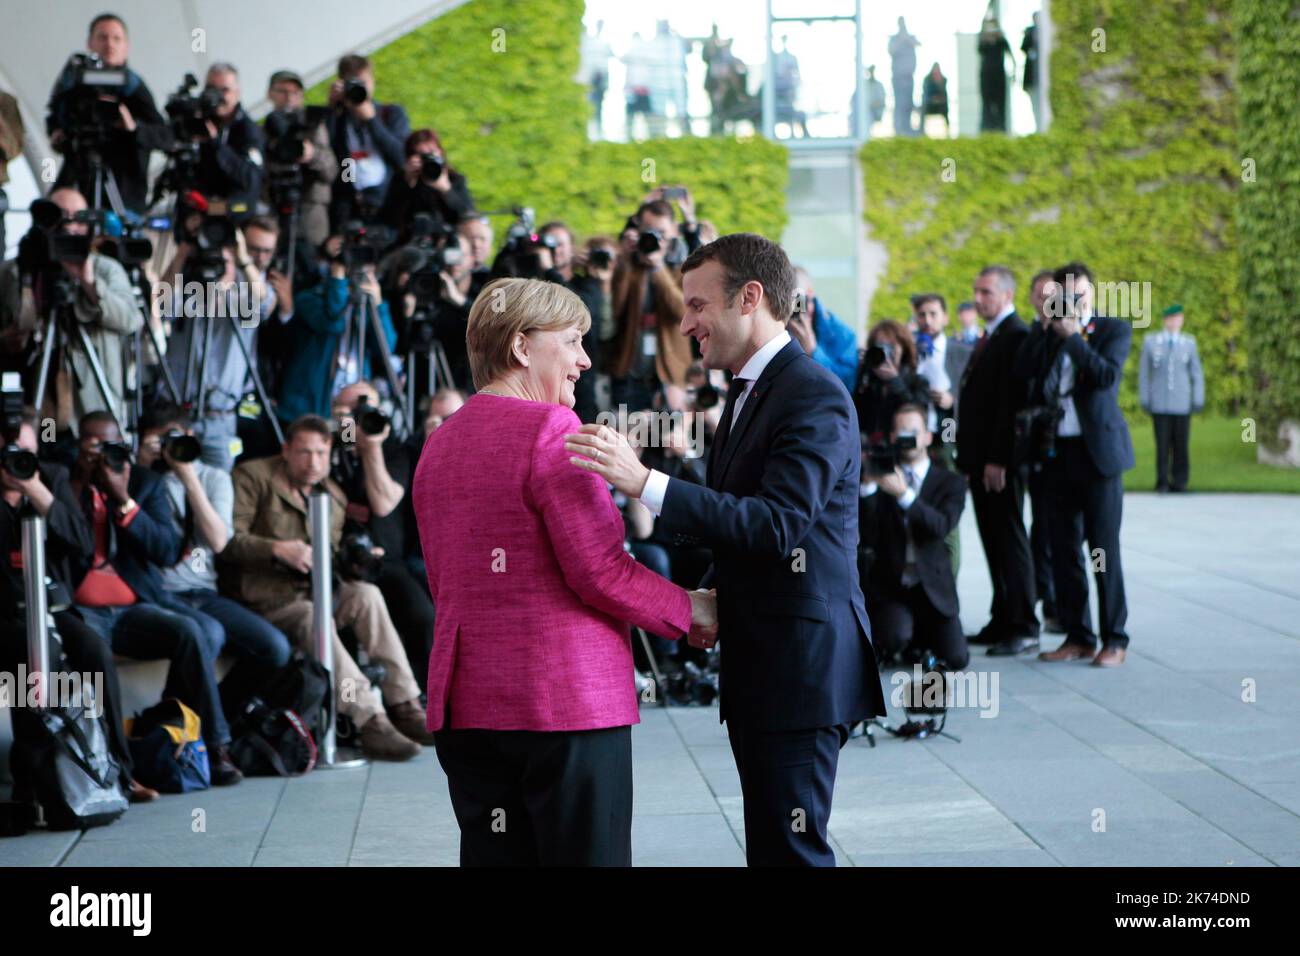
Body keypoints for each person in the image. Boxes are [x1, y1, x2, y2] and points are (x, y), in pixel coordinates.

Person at [570, 233, 886, 866]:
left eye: (696, 306)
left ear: (750, 298)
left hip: (801, 668)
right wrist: (707, 597)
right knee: (773, 848)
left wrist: (645, 483)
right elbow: (745, 526)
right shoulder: (750, 390)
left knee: (791, 851)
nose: (685, 324)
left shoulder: (813, 394)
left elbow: (778, 525)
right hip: (767, 662)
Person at [412, 277, 714, 866]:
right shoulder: (552, 430)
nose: (584, 359)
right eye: (573, 340)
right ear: (522, 348)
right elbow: (599, 569)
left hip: (467, 706)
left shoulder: (439, 443)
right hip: (562, 704)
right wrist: (694, 612)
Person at [222, 414, 432, 760]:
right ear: (286, 450)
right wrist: (275, 549)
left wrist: (355, 560)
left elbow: (330, 556)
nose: (313, 462)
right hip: (263, 598)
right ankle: (369, 719)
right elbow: (227, 541)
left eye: (321, 453)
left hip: (316, 592)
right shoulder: (251, 477)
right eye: (304, 452)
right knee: (311, 618)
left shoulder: (331, 493)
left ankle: (405, 703)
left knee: (367, 595)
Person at [69, 411, 242, 785]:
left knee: (193, 633)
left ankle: (215, 745)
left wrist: (124, 501)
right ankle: (116, 762)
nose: (102, 456)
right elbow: (62, 539)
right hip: (83, 608)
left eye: (111, 447)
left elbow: (166, 549)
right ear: (78, 445)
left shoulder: (144, 483)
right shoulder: (65, 482)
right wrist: (82, 483)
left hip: (133, 606)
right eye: (93, 446)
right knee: (94, 653)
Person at [0, 409, 157, 802]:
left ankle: (119, 770)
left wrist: (34, 490)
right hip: (5, 613)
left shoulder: (50, 478)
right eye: (10, 449)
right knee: (32, 656)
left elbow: (81, 543)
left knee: (94, 651)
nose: (19, 456)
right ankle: (33, 783)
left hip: (49, 605)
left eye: (27, 448)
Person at [1015, 263, 1134, 667]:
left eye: (1079, 295)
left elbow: (1105, 377)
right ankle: (1078, 634)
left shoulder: (1112, 330)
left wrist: (1073, 338)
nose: (1072, 302)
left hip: (1097, 455)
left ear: (1092, 295)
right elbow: (1023, 375)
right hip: (1054, 454)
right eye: (1065, 295)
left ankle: (1114, 638)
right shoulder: (1048, 332)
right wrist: (1046, 328)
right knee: (1062, 549)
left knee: (1103, 548)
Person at [137, 402, 292, 677]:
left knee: (275, 648)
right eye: (160, 440)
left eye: (173, 436)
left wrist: (187, 476)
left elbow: (218, 541)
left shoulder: (213, 477)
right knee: (208, 633)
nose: (168, 446)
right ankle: (181, 716)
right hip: (157, 591)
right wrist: (142, 465)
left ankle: (229, 713)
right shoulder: (141, 479)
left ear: (190, 434)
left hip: (204, 592)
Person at [956, 265, 1038, 656]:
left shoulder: (1016, 335)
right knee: (993, 539)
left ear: (1006, 295)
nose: (978, 298)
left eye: (986, 291)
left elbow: (1010, 407)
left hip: (998, 463)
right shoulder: (994, 335)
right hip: (980, 459)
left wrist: (998, 459)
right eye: (976, 290)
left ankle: (1024, 623)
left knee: (1009, 538)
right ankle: (1002, 617)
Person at [859, 404, 968, 669]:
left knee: (956, 658)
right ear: (893, 437)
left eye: (914, 431)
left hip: (933, 588)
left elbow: (941, 526)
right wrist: (868, 487)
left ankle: (920, 638)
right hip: (894, 587)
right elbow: (867, 535)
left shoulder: (950, 482)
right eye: (902, 431)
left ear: (928, 436)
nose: (908, 437)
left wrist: (904, 495)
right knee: (892, 638)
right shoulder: (883, 477)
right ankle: (907, 638)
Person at [46, 13, 170, 215]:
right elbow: (55, 115)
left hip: (123, 192)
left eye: (116, 38)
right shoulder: (74, 81)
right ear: (90, 43)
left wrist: (132, 127)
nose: (109, 45)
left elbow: (165, 137)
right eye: (102, 37)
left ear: (126, 46)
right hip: (78, 178)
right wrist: (57, 133)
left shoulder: (133, 87)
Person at [327, 54, 410, 228]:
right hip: (349, 206)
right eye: (353, 84)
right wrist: (332, 110)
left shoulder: (390, 114)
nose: (360, 89)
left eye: (364, 82)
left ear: (372, 81)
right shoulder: (339, 119)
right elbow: (337, 160)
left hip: (388, 204)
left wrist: (371, 120)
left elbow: (402, 158)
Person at [263, 70, 337, 248]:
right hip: (275, 209)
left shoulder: (314, 125)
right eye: (283, 91)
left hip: (310, 213)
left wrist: (312, 154)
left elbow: (333, 170)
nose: (289, 97)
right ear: (270, 94)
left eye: (295, 92)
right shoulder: (264, 131)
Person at [1139, 304, 1204, 493]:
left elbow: (1196, 374)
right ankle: (1162, 481)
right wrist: (1145, 397)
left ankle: (1180, 481)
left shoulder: (1189, 343)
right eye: (1172, 318)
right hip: (1160, 403)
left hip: (1181, 402)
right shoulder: (1151, 341)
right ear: (1165, 320)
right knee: (1162, 444)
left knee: (1181, 444)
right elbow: (1145, 373)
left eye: (1179, 318)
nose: (1175, 322)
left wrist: (1197, 398)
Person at [378, 128, 474, 240]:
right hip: (409, 241)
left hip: (447, 239)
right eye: (420, 156)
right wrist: (407, 184)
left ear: (440, 152)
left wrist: (446, 190)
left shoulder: (454, 179)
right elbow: (387, 218)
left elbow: (468, 215)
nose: (426, 160)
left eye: (431, 153)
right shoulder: (402, 180)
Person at [852, 319, 931, 443]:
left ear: (903, 348)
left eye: (891, 346)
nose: (885, 352)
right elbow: (855, 415)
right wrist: (863, 371)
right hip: (871, 453)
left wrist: (895, 380)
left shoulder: (918, 382)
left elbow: (918, 415)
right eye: (880, 346)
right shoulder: (869, 382)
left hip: (902, 450)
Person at [790, 266, 859, 391]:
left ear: (810, 293)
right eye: (789, 301)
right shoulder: (776, 325)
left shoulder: (843, 335)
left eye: (798, 300)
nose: (794, 308)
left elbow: (846, 387)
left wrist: (813, 351)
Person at [978, 12, 1014, 133]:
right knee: (987, 105)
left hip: (998, 76)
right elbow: (980, 50)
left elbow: (1009, 53)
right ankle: (987, 129)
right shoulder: (983, 40)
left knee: (1000, 104)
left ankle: (1001, 129)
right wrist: (986, 37)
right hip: (986, 76)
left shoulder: (1001, 40)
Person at [888, 17, 920, 137]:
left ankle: (907, 127)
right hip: (898, 77)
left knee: (908, 103)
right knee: (899, 103)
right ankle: (898, 129)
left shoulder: (909, 37)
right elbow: (891, 50)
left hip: (909, 76)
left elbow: (918, 44)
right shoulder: (894, 39)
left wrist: (906, 37)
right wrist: (901, 39)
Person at [921, 63, 950, 135]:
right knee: (923, 108)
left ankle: (947, 130)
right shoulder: (927, 80)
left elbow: (944, 94)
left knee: (945, 109)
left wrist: (939, 83)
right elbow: (926, 93)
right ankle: (921, 132)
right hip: (929, 104)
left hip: (940, 104)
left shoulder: (943, 80)